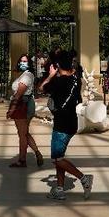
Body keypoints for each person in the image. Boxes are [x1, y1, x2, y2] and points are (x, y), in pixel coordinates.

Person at [40, 53, 93, 201]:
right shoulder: (76, 80)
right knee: (60, 157)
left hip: (61, 124)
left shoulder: (59, 82)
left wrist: (51, 75)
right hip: (71, 122)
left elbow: (42, 88)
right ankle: (59, 188)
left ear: (57, 67)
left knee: (57, 159)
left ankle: (84, 178)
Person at [6, 56, 43, 167]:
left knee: (22, 134)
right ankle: (32, 154)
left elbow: (19, 94)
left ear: (29, 63)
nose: (22, 63)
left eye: (25, 61)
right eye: (21, 61)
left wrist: (11, 108)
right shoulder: (25, 74)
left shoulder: (27, 75)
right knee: (23, 133)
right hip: (24, 104)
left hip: (22, 105)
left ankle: (24, 159)